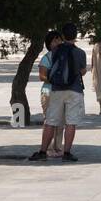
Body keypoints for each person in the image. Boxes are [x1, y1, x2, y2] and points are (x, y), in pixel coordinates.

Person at [31, 22, 88, 162]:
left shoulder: (55, 51)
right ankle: (67, 152)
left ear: (63, 35)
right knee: (70, 122)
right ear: (76, 35)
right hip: (74, 90)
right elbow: (82, 71)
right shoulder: (80, 53)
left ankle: (43, 151)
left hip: (56, 89)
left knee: (50, 121)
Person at [36, 30, 64, 158]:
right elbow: (42, 76)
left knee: (60, 121)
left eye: (59, 40)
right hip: (48, 91)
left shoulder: (64, 57)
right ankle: (48, 147)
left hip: (61, 92)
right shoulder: (46, 58)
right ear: (49, 43)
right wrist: (56, 79)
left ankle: (58, 146)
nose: (58, 42)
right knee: (49, 120)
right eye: (54, 40)